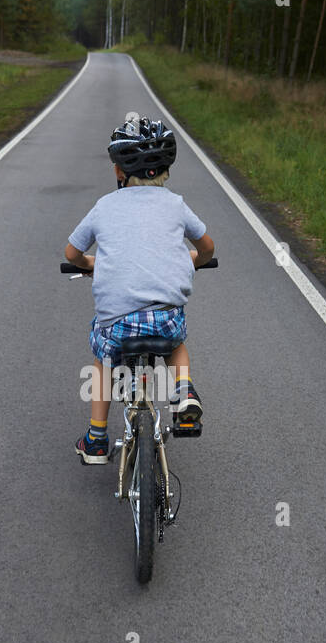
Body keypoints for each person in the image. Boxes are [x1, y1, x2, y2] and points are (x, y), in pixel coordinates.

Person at [64, 114, 215, 465]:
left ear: (119, 170)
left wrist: (91, 264)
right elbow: (207, 247)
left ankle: (97, 438)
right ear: (166, 168)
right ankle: (183, 391)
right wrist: (192, 260)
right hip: (165, 320)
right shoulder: (176, 204)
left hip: (117, 325)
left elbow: (72, 253)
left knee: (103, 359)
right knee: (176, 346)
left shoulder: (104, 206)